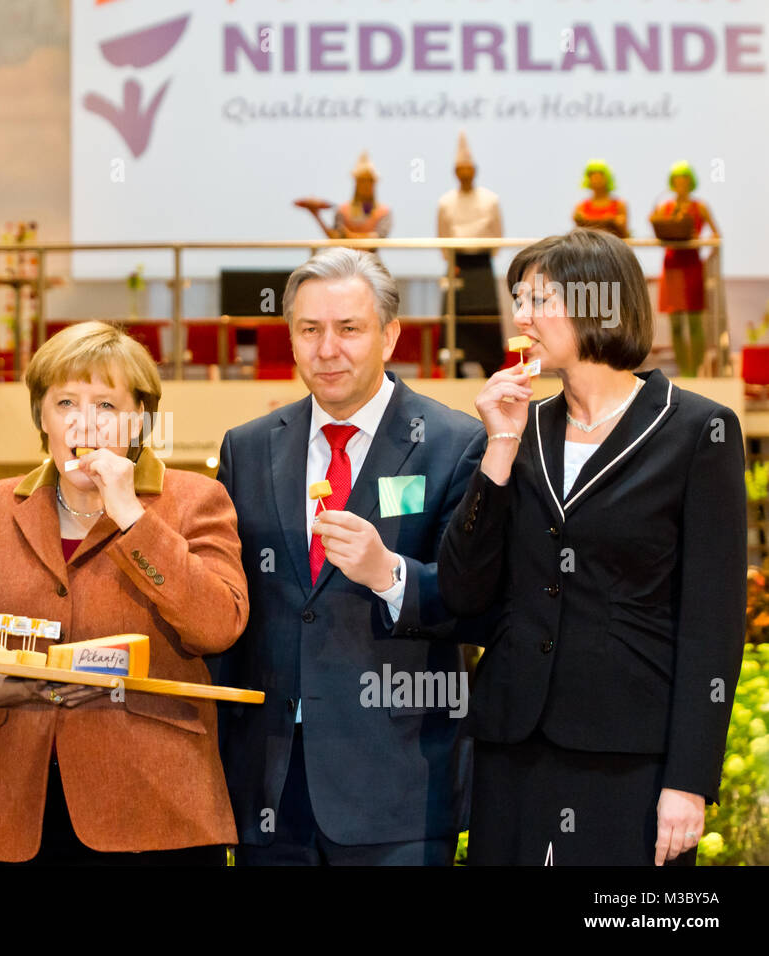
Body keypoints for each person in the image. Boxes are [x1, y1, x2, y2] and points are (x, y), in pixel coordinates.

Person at [436, 228, 745, 865]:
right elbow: (464, 591)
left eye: (536, 299)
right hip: (513, 748)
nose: (520, 317)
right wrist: (496, 448)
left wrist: (688, 779)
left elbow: (712, 624)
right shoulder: (520, 429)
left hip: (632, 756)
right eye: (517, 299)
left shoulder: (698, 430)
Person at [212, 248, 488, 865]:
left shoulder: (454, 443)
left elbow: (477, 605)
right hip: (270, 791)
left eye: (348, 329)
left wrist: (389, 575)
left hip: (397, 791)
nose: (326, 349)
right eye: (309, 330)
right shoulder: (248, 448)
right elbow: (230, 612)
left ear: (390, 335)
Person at [0, 321, 249, 864]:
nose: (86, 424)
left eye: (106, 405)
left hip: (154, 808)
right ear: (42, 416)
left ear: (139, 419)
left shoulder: (195, 499)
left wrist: (131, 514)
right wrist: (19, 683)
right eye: (65, 403)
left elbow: (219, 626)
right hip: (12, 806)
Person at [437, 131, 505, 377]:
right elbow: (442, 237)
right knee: (457, 324)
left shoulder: (491, 200)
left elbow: (498, 234)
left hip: (482, 266)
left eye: (469, 169)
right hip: (457, 264)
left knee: (485, 321)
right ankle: (455, 372)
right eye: (460, 169)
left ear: (474, 170)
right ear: (456, 172)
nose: (465, 174)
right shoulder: (445, 202)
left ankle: (490, 370)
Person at [650, 160, 719, 377]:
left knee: (695, 322)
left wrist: (708, 256)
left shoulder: (700, 207)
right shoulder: (665, 207)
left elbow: (717, 235)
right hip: (671, 266)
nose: (681, 184)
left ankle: (694, 372)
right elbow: (658, 234)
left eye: (685, 180)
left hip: (692, 266)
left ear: (691, 182)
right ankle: (684, 371)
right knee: (676, 324)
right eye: (678, 180)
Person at [332, 151, 393, 241]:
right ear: (356, 183)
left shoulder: (383, 212)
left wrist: (349, 236)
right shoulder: (343, 211)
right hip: (344, 254)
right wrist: (316, 215)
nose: (366, 185)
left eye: (369, 181)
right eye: (362, 181)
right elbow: (335, 237)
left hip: (370, 255)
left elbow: (378, 237)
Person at [573, 159, 629, 238]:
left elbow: (623, 230)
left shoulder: (619, 205)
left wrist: (614, 221)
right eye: (592, 175)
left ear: (607, 178)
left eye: (600, 175)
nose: (596, 179)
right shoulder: (581, 206)